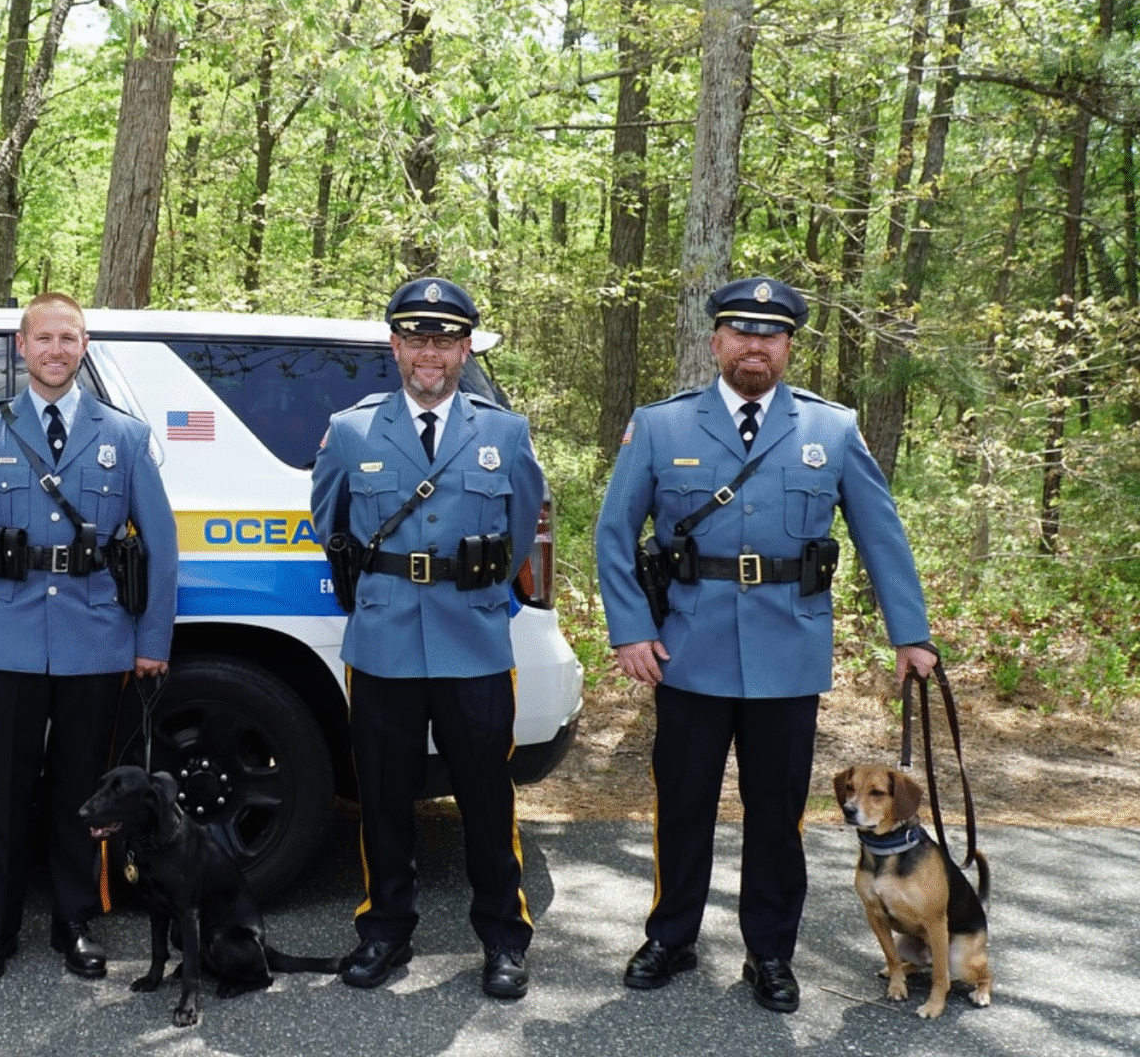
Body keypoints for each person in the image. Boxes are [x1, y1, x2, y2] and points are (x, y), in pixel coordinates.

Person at [596, 276, 937, 1013]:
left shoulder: (831, 429)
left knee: (778, 815)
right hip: (688, 648)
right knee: (682, 804)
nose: (755, 346)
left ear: (787, 347)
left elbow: (881, 534)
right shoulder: (661, 426)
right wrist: (630, 629)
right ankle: (671, 937)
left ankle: (771, 953)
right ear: (716, 342)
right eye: (741, 333)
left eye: (771, 335)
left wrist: (910, 634)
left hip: (788, 654)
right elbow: (613, 533)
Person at [309, 277, 544, 1001]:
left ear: (465, 348)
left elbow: (519, 529)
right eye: (416, 338)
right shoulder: (352, 431)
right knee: (382, 798)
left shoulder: (504, 433)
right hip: (383, 640)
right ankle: (384, 930)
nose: (430, 353)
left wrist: (470, 580)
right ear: (395, 346)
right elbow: (328, 521)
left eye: (444, 339)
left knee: (487, 799)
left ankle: (503, 938)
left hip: (473, 638)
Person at [0, 291, 179, 984]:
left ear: (84, 346)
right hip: (6, 637)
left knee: (85, 792)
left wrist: (152, 641)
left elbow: (161, 546)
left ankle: (75, 922)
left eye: (68, 338)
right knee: (6, 795)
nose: (55, 350)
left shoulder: (124, 437)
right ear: (23, 346)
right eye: (43, 338)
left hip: (95, 637)